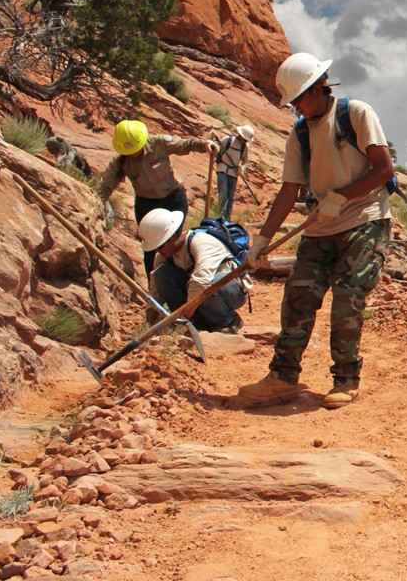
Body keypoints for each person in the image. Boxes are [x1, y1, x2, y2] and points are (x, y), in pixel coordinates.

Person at [237, 52, 392, 409]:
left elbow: (384, 169)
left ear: (319, 86)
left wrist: (342, 196)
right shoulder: (300, 133)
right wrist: (262, 241)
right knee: (298, 298)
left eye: (299, 100)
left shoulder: (356, 114)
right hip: (321, 226)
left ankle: (346, 380)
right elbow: (288, 190)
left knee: (347, 296)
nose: (297, 108)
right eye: (292, 103)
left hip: (365, 219)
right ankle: (282, 378)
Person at [98, 120, 217, 274]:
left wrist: (203, 145)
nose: (134, 153)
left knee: (172, 243)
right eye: (129, 150)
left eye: (136, 148)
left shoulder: (158, 143)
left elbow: (184, 144)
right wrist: (96, 203)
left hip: (173, 198)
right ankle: (153, 283)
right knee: (150, 247)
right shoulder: (120, 162)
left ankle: (178, 280)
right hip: (147, 205)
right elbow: (106, 185)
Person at [137, 209, 247, 333]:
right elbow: (155, 290)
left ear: (173, 237)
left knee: (204, 284)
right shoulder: (163, 256)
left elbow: (201, 282)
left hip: (230, 291)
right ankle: (199, 325)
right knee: (161, 274)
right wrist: (149, 323)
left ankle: (229, 321)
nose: (158, 251)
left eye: (160, 246)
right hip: (198, 295)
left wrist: (182, 322)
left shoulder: (201, 242)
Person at [215, 124, 255, 220]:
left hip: (234, 172)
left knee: (230, 197)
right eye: (245, 139)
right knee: (223, 193)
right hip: (222, 168)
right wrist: (213, 144)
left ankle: (227, 218)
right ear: (240, 135)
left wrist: (242, 169)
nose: (245, 141)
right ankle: (220, 216)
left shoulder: (245, 148)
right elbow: (216, 147)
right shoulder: (228, 140)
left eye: (247, 140)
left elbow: (245, 161)